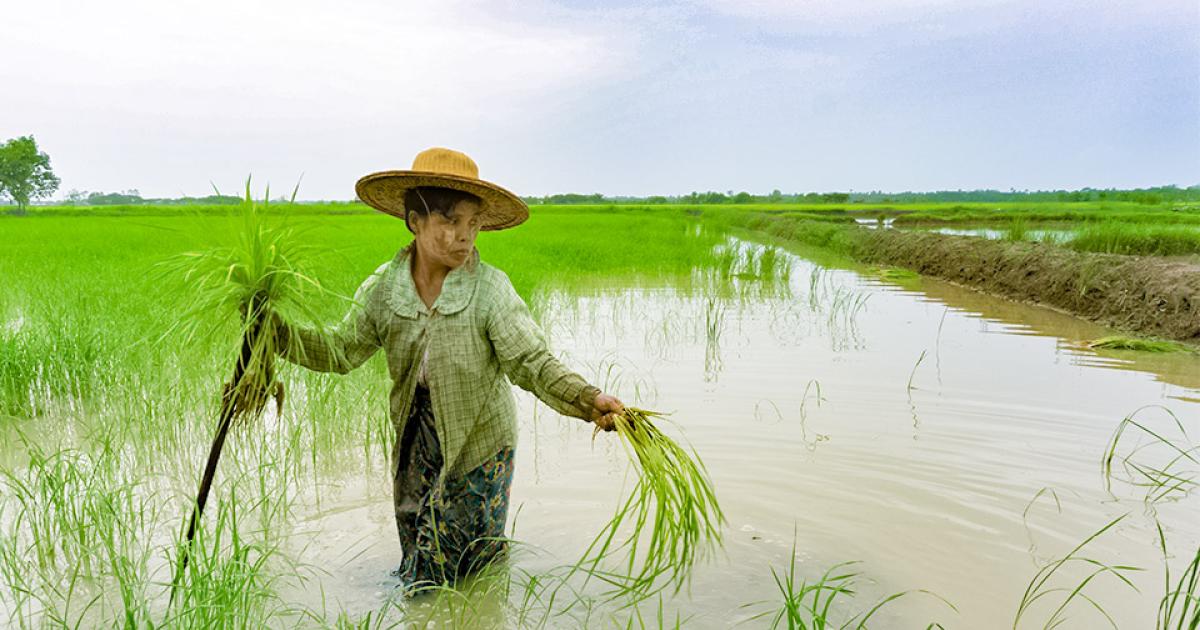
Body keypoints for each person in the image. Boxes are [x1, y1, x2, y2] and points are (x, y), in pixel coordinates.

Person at [273, 147, 625, 590]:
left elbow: (531, 362)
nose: (465, 236)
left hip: (479, 443)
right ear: (414, 221)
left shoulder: (490, 291)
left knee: (460, 568)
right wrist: (273, 332)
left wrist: (588, 399)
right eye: (450, 222)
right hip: (414, 437)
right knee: (416, 554)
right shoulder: (384, 289)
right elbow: (341, 350)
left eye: (473, 224)